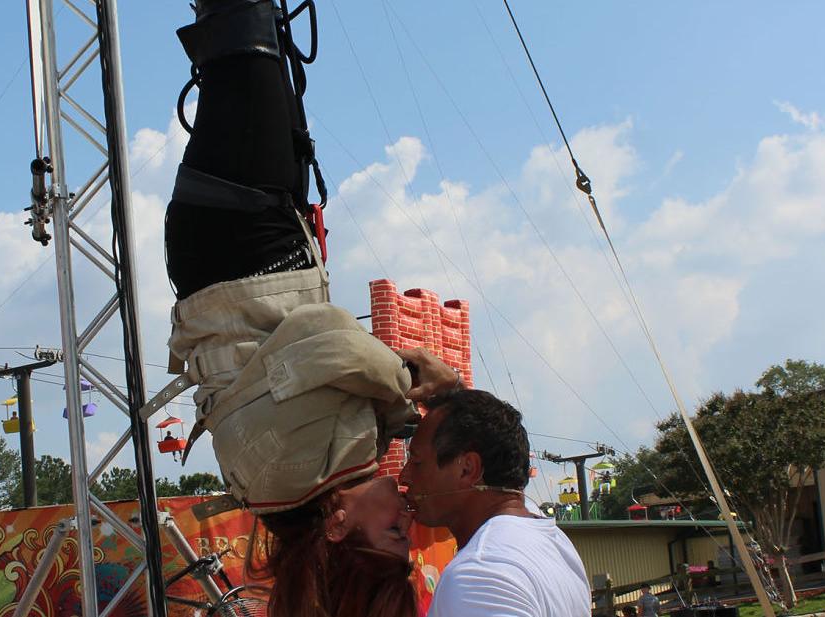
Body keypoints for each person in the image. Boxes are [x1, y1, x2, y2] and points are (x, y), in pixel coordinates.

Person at [164, 2, 428, 616]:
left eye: (394, 532)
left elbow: (326, 338)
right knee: (249, 39)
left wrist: (406, 384)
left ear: (336, 527)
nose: (406, 518)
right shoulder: (291, 491)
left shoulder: (298, 471)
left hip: (241, 247)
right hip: (243, 252)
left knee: (244, 30)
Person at [399, 389, 591, 616]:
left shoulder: (480, 573)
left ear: (467, 468)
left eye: (417, 462)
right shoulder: (552, 539)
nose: (404, 477)